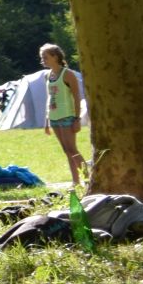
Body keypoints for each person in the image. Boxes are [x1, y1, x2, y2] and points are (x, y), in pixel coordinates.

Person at [39, 43, 87, 189]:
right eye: (42, 57)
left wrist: (77, 119)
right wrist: (47, 121)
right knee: (66, 151)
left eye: (46, 57)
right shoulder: (48, 75)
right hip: (54, 117)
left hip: (67, 116)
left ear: (55, 56)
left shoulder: (68, 74)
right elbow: (50, 98)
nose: (43, 60)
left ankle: (89, 177)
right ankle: (75, 181)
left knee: (72, 149)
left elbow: (77, 97)